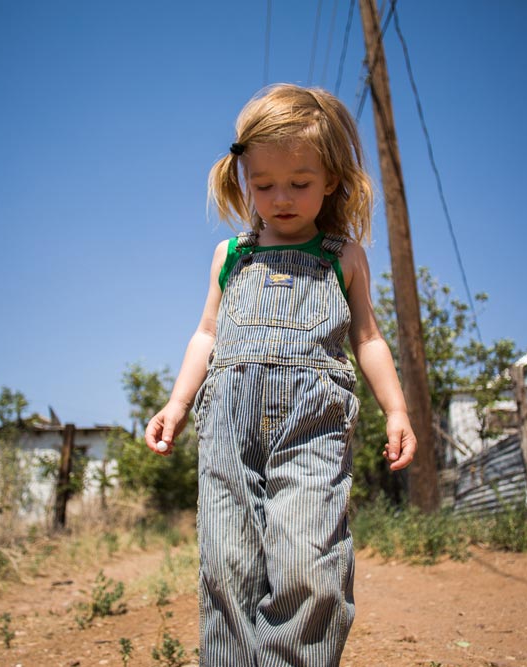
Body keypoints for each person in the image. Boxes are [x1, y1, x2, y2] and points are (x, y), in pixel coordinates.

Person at [144, 83, 416, 667]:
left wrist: (396, 409)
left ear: (332, 181)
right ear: (243, 179)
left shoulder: (343, 256)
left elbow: (367, 337)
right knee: (228, 561)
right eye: (263, 185)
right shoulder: (230, 256)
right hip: (228, 429)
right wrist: (176, 404)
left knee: (309, 562)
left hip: (311, 427)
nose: (281, 198)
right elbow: (207, 335)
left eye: (299, 183)